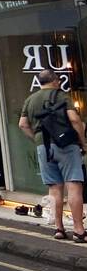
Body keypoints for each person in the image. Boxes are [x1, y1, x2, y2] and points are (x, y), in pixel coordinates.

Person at [19, 70, 87, 242]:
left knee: (55, 189)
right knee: (74, 186)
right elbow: (74, 120)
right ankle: (79, 230)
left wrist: (37, 139)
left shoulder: (30, 99)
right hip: (67, 145)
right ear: (56, 81)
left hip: (44, 146)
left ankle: (59, 229)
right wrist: (82, 141)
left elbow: (22, 124)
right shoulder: (61, 96)